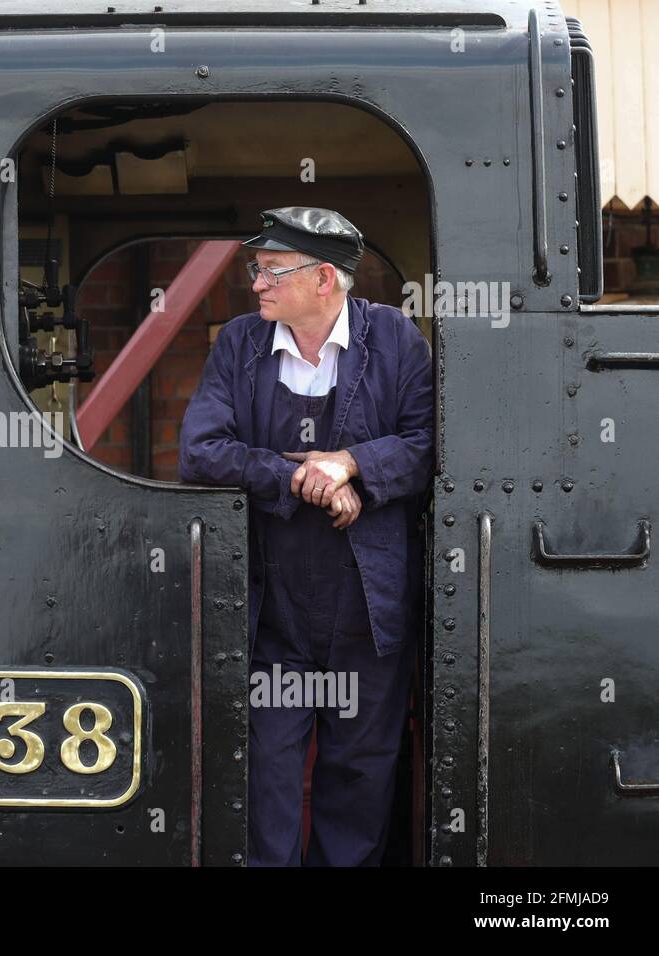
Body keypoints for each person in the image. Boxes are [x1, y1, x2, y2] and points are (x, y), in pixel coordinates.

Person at [178, 207, 434, 866]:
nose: (255, 284)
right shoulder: (240, 343)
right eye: (255, 270)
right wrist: (300, 479)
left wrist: (350, 465)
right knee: (266, 783)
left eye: (269, 271)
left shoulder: (397, 339)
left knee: (358, 783)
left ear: (325, 279)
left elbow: (429, 447)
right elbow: (202, 452)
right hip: (272, 614)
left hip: (369, 613)